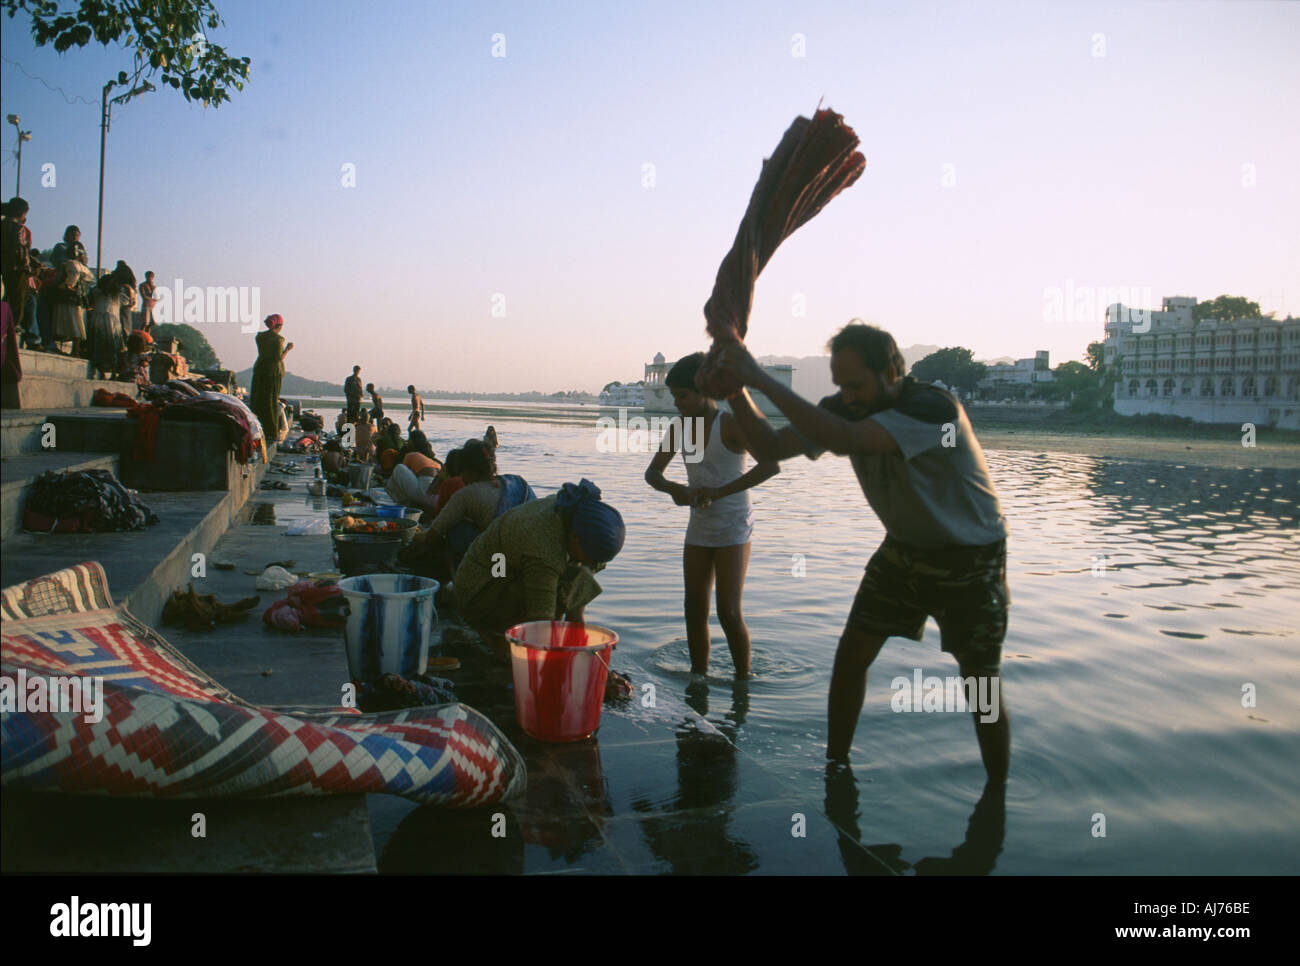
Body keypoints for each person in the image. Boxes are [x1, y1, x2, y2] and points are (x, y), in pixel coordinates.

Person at [714, 322, 1010, 786]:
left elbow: (853, 439)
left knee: (980, 682)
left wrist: (760, 378)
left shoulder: (933, 409)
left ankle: (996, 793)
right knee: (851, 656)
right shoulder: (844, 410)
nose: (847, 396)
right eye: (840, 386)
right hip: (904, 549)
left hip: (970, 557)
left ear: (894, 369)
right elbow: (770, 446)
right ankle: (836, 767)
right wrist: (735, 394)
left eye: (856, 384)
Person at [645, 352, 778, 677]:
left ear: (705, 392)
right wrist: (676, 490)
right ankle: (698, 676)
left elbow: (771, 465)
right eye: (674, 397)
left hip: (734, 525)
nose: (677, 403)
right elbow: (653, 474)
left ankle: (743, 679)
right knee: (694, 607)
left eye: (683, 396)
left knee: (728, 610)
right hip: (700, 525)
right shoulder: (680, 429)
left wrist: (719, 493)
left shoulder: (730, 425)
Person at [451, 478, 624, 644]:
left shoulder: (573, 513)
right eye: (591, 558)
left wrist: (579, 636)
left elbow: (583, 579)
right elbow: (541, 621)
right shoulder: (542, 545)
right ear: (575, 536)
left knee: (579, 573)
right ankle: (495, 635)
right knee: (559, 591)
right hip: (479, 590)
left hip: (506, 569)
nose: (594, 565)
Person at [250, 314, 293, 441]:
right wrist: (288, 349)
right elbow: (278, 358)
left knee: (257, 399)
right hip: (272, 372)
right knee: (270, 401)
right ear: (279, 325)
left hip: (260, 368)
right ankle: (271, 432)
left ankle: (256, 428)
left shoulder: (260, 337)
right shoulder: (278, 339)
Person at [51, 251, 93, 357]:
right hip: (79, 298)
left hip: (70, 298)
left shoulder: (72, 264)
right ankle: (75, 351)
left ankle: (75, 351)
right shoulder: (84, 268)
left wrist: (64, 286)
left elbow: (71, 279)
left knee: (74, 324)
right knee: (77, 324)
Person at [1, 198, 31, 337]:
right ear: (21, 213)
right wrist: (27, 267)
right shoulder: (19, 229)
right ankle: (11, 329)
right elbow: (20, 250)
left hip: (5, 269)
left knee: (6, 299)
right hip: (17, 270)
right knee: (18, 302)